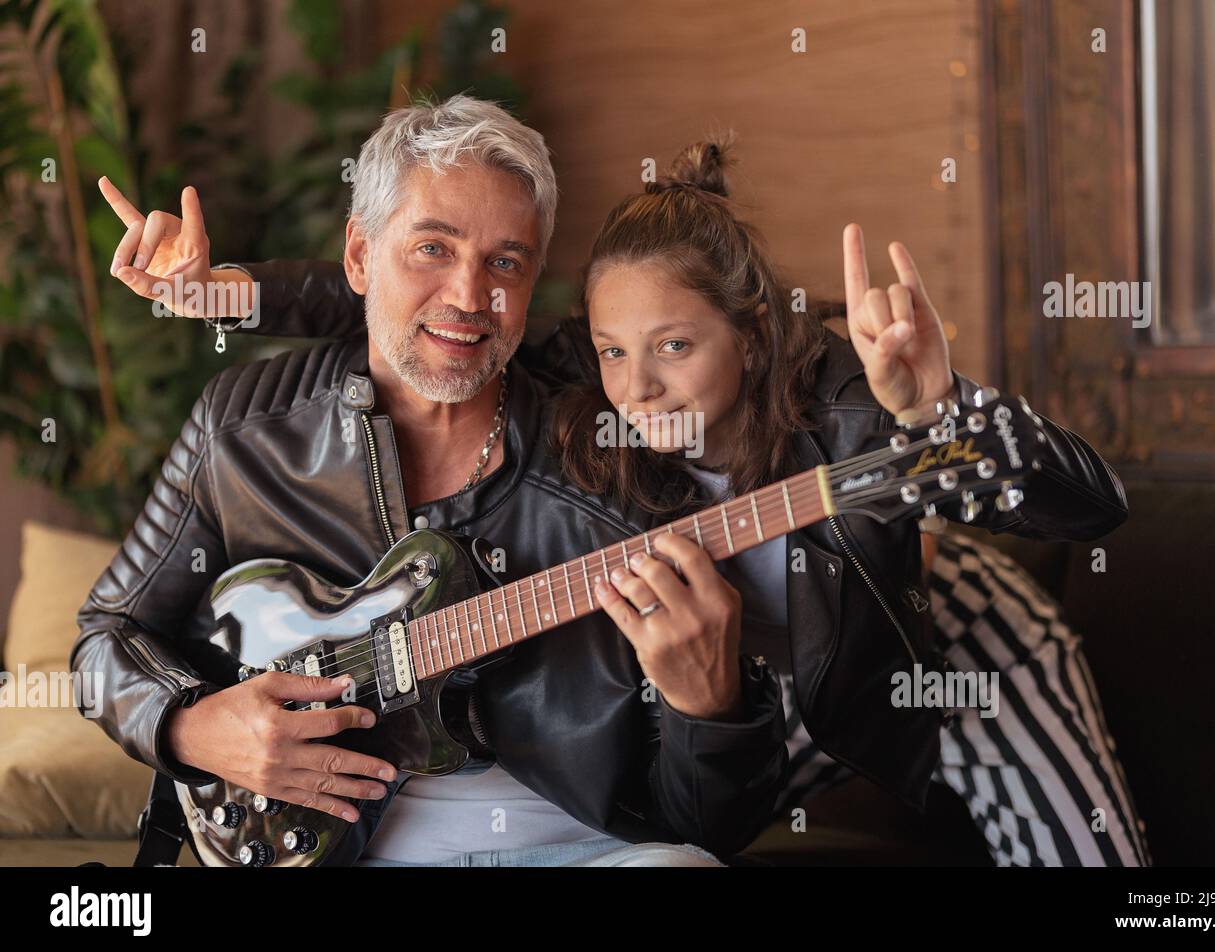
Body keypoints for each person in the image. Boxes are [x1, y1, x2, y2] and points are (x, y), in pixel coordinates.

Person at [102, 115, 1141, 865]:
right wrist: (224, 291)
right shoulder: (567, 368)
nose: (637, 385)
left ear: (752, 330)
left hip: (910, 637)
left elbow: (1087, 503)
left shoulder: (818, 396)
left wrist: (937, 407)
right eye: (612, 351)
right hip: (754, 687)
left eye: (676, 346)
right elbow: (413, 297)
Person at [75, 96, 792, 868]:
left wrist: (711, 708)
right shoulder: (243, 429)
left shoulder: (613, 435)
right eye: (432, 249)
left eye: (506, 262)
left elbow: (713, 821)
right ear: (358, 256)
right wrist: (190, 724)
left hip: (588, 849)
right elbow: (105, 640)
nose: (467, 295)